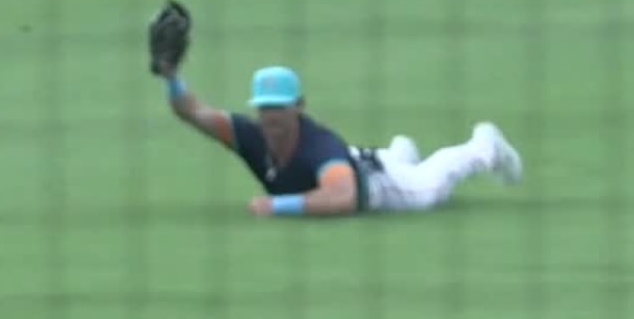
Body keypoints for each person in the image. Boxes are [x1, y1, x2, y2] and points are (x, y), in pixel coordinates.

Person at [156, 63, 523, 216]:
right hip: (357, 161)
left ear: (298, 106)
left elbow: (344, 197)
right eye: (265, 108)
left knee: (432, 187)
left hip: (382, 188)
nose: (271, 116)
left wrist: (278, 207)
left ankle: (483, 147)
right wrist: (172, 78)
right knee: (389, 160)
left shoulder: (317, 143)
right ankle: (399, 152)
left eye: (279, 108)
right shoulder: (250, 136)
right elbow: (193, 113)